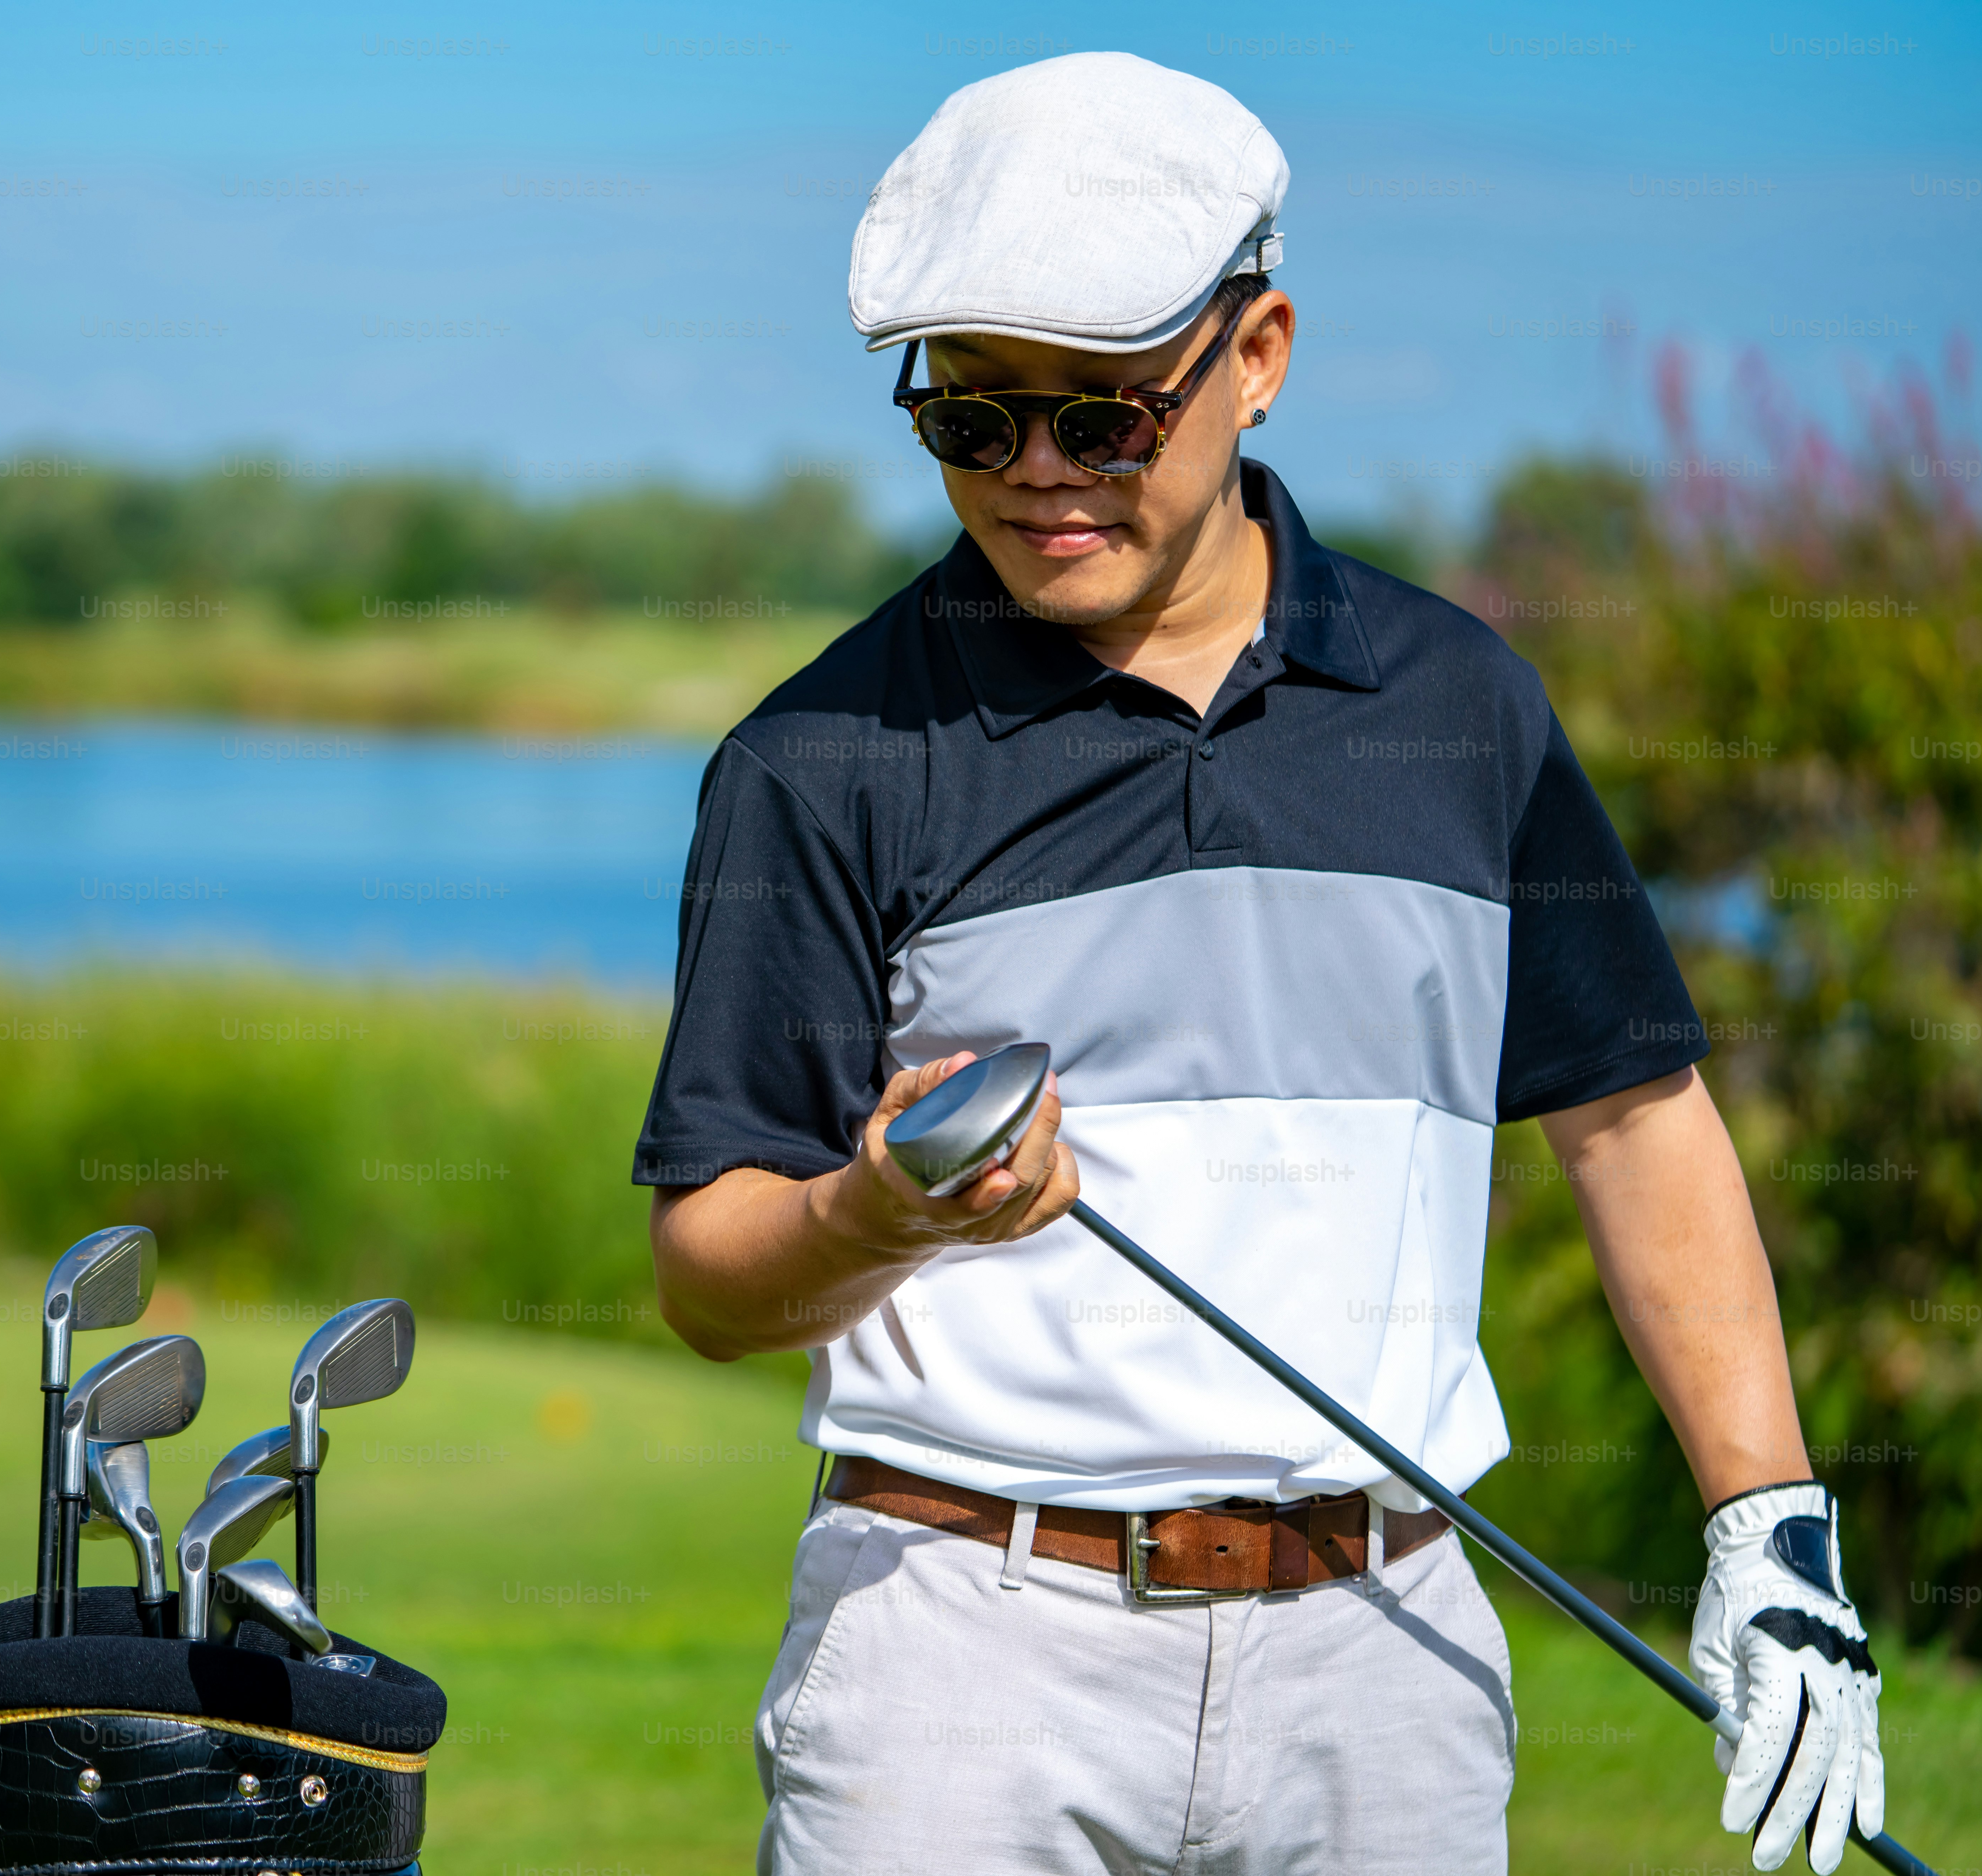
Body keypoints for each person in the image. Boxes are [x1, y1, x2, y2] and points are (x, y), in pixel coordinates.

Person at [634, 51, 1883, 1876]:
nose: (1039, 476)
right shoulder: (816, 761)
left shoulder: (1465, 710)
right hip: (959, 1657)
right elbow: (707, 1274)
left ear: (1261, 352)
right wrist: (886, 1212)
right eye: (975, 422)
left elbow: (1635, 1120)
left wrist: (1771, 1532)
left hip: (1388, 1653)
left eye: (1103, 415)